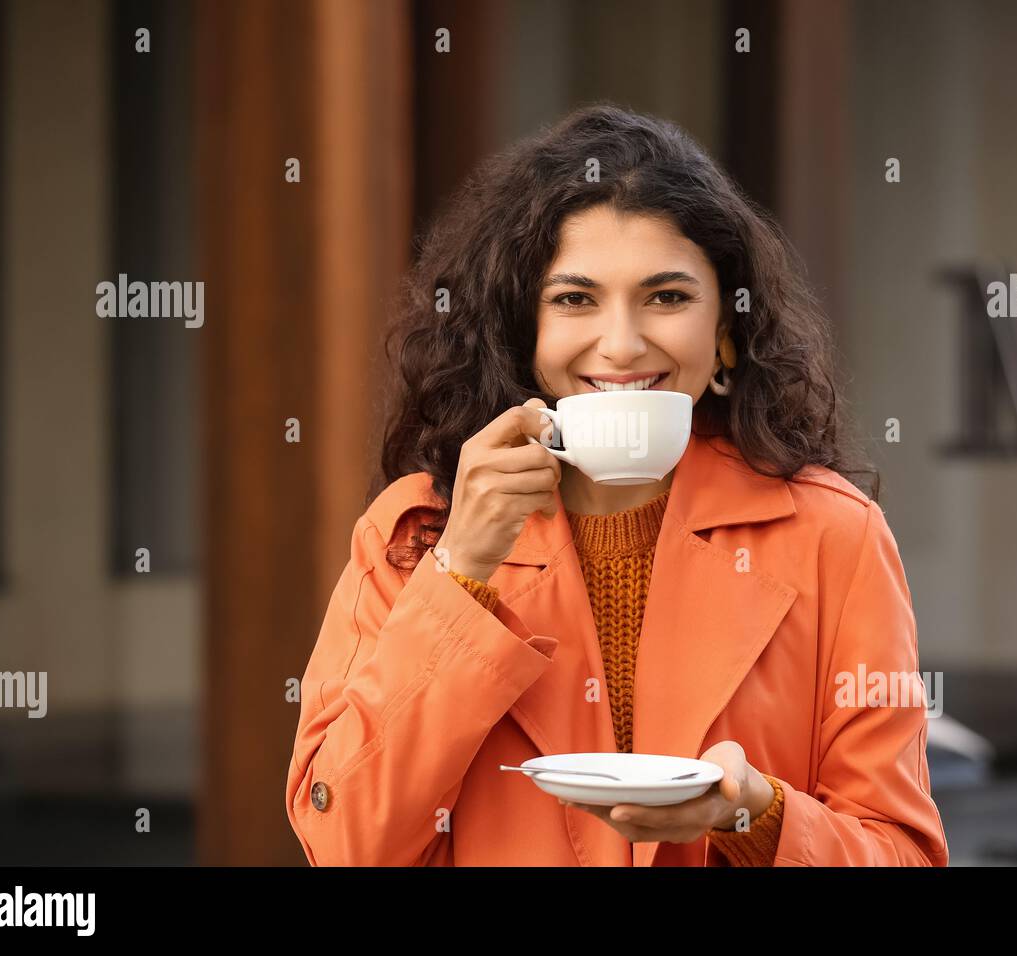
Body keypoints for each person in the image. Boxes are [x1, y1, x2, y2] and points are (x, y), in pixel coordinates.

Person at [285, 104, 948, 867]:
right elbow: (344, 843)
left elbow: (902, 855)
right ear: (520, 328)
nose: (623, 343)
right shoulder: (413, 534)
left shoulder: (836, 536)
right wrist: (459, 571)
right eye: (574, 299)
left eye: (667, 297)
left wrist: (755, 815)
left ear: (726, 333)